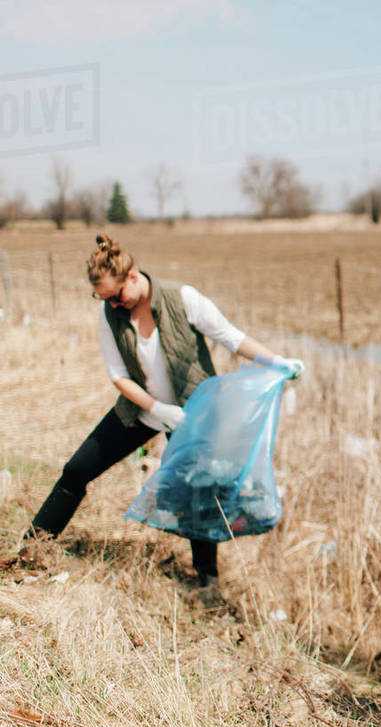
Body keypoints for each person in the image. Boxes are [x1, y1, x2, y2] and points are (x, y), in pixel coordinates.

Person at [25, 234, 304, 586]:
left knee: (202, 491)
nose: (113, 305)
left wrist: (277, 362)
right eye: (104, 299)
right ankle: (33, 548)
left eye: (116, 296)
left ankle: (207, 581)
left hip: (193, 414)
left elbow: (231, 338)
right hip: (139, 411)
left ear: (133, 276)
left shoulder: (182, 298)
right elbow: (118, 376)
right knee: (77, 469)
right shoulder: (109, 316)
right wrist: (158, 409)